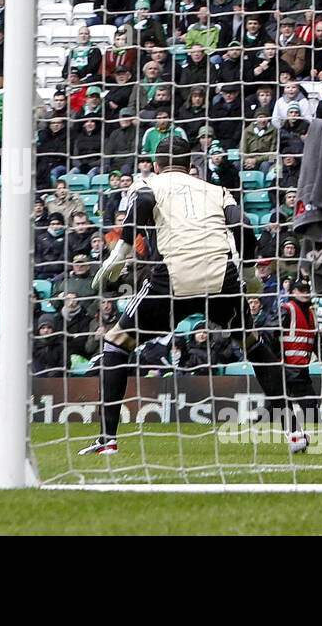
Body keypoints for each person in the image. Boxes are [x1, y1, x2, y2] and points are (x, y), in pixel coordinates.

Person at [84, 136, 248, 455]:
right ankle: (295, 431)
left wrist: (119, 252)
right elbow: (241, 223)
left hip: (172, 278)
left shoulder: (149, 184)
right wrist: (250, 272)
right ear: (191, 167)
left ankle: (107, 439)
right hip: (218, 275)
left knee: (115, 343)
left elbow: (142, 203)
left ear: (156, 166)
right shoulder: (214, 190)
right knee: (254, 343)